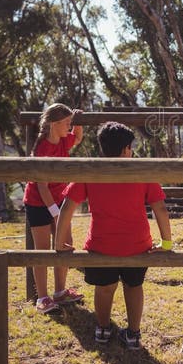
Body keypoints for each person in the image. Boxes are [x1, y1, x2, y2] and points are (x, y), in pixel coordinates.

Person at [55, 121, 172, 350]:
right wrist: (166, 242)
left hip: (101, 246)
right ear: (127, 149)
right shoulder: (142, 172)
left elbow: (66, 207)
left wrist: (59, 243)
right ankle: (133, 334)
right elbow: (160, 208)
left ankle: (102, 328)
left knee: (105, 287)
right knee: (133, 286)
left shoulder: (90, 171)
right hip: (137, 245)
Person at [23, 103, 85, 314]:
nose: (69, 127)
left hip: (59, 199)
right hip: (38, 202)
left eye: (69, 123)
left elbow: (77, 138)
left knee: (65, 244)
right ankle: (42, 298)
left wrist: (77, 122)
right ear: (53, 124)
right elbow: (41, 186)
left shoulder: (63, 140)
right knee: (42, 250)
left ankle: (60, 292)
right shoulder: (42, 148)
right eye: (66, 123)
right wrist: (56, 214)